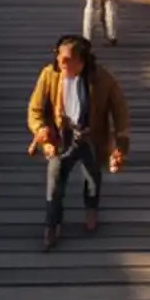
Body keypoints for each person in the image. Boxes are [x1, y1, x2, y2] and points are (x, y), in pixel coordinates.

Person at [27, 35, 130, 251]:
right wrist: (40, 129)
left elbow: (120, 109)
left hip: (90, 136)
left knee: (92, 177)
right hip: (62, 137)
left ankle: (91, 207)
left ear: (81, 62)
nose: (61, 63)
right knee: (55, 180)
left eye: (67, 60)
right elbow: (35, 109)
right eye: (59, 57)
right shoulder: (49, 75)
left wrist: (120, 142)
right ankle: (52, 224)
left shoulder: (102, 79)